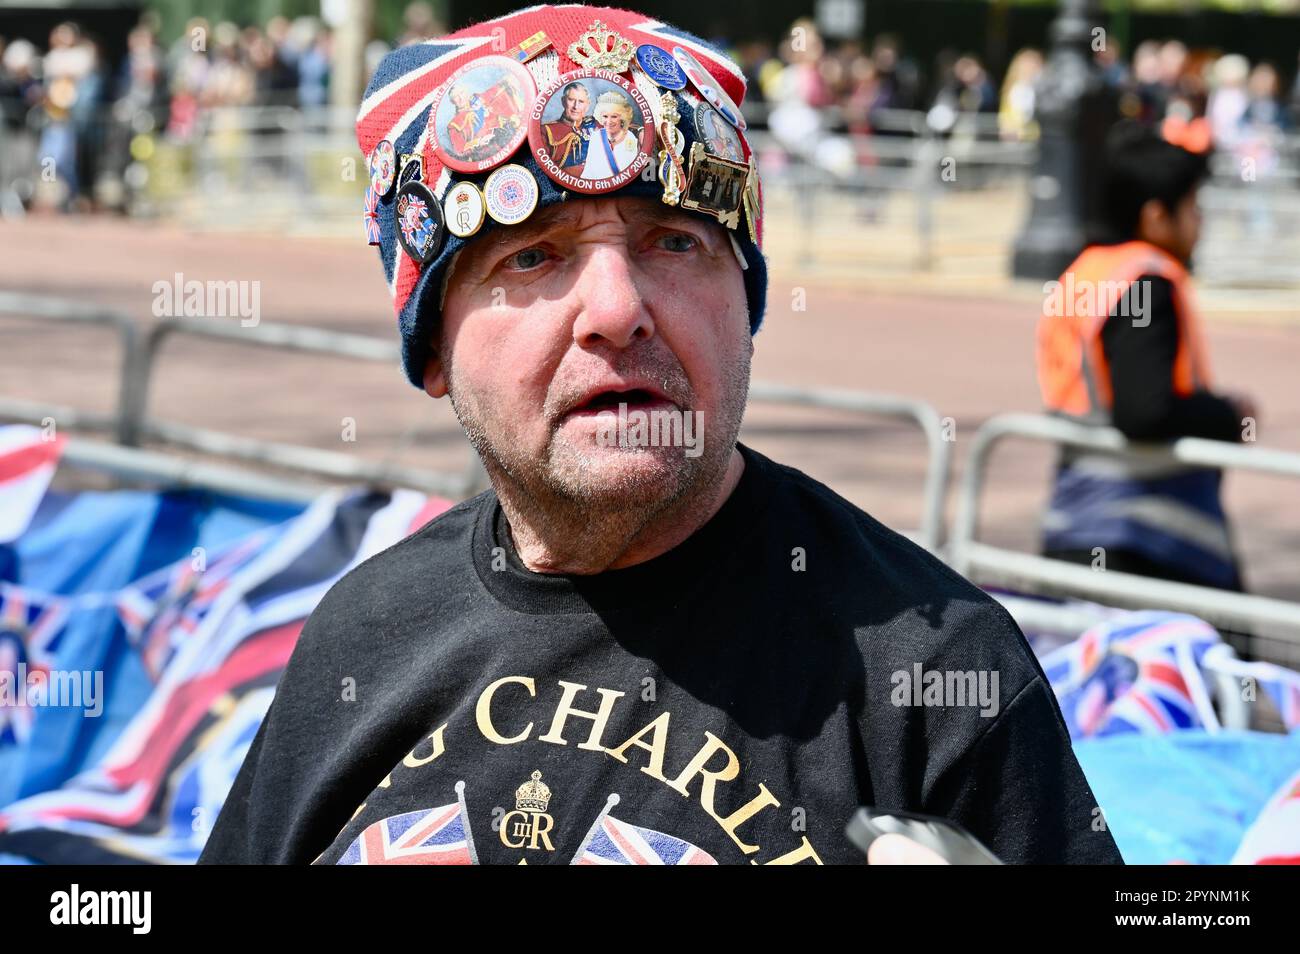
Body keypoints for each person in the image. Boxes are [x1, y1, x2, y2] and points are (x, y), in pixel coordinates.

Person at [200, 4, 1121, 867]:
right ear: (434, 350)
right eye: (532, 255)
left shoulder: (938, 677)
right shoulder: (363, 636)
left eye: (674, 243)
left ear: (746, 305)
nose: (618, 309)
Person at [1037, 122, 1259, 591]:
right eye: (1192, 208)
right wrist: (1228, 414)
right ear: (1156, 217)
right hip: (1145, 535)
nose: (1200, 223)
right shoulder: (1144, 283)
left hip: (1078, 519)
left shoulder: (1088, 270)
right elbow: (1144, 410)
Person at [579, 90, 639, 179]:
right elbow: (589, 170)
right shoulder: (596, 137)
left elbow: (630, 173)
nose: (609, 121)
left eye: (614, 116)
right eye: (605, 116)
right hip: (596, 189)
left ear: (622, 118)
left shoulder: (630, 138)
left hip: (622, 189)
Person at [542, 80, 594, 170]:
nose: (575, 106)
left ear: (587, 106)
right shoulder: (546, 130)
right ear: (563, 101)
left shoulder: (595, 127)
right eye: (571, 100)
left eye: (581, 102)